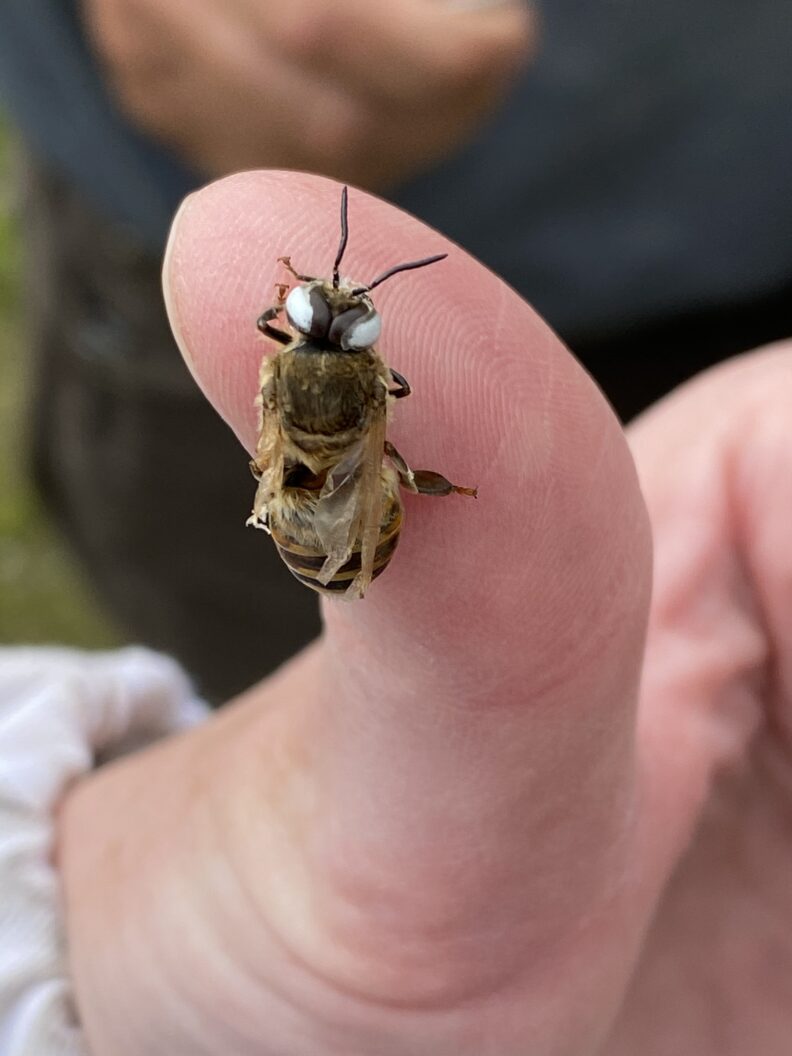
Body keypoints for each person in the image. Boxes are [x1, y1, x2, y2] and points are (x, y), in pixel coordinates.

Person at [3, 173, 791, 1054]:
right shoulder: (372, 385)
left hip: (314, 526)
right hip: (338, 532)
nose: (339, 305)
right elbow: (388, 400)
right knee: (400, 482)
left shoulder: (283, 365)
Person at [1, 0, 790, 701]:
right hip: (167, 172)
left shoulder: (292, 365)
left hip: (750, 245)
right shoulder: (361, 382)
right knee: (286, 689)